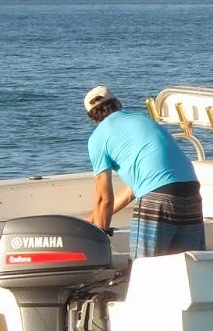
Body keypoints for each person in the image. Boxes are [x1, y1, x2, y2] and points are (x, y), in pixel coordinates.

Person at [83, 85, 205, 257]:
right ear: (117, 104)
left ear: (93, 119)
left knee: (144, 268)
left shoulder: (98, 137)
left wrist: (100, 233)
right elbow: (130, 191)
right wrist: (92, 219)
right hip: (191, 190)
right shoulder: (143, 120)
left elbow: (104, 199)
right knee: (187, 267)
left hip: (157, 197)